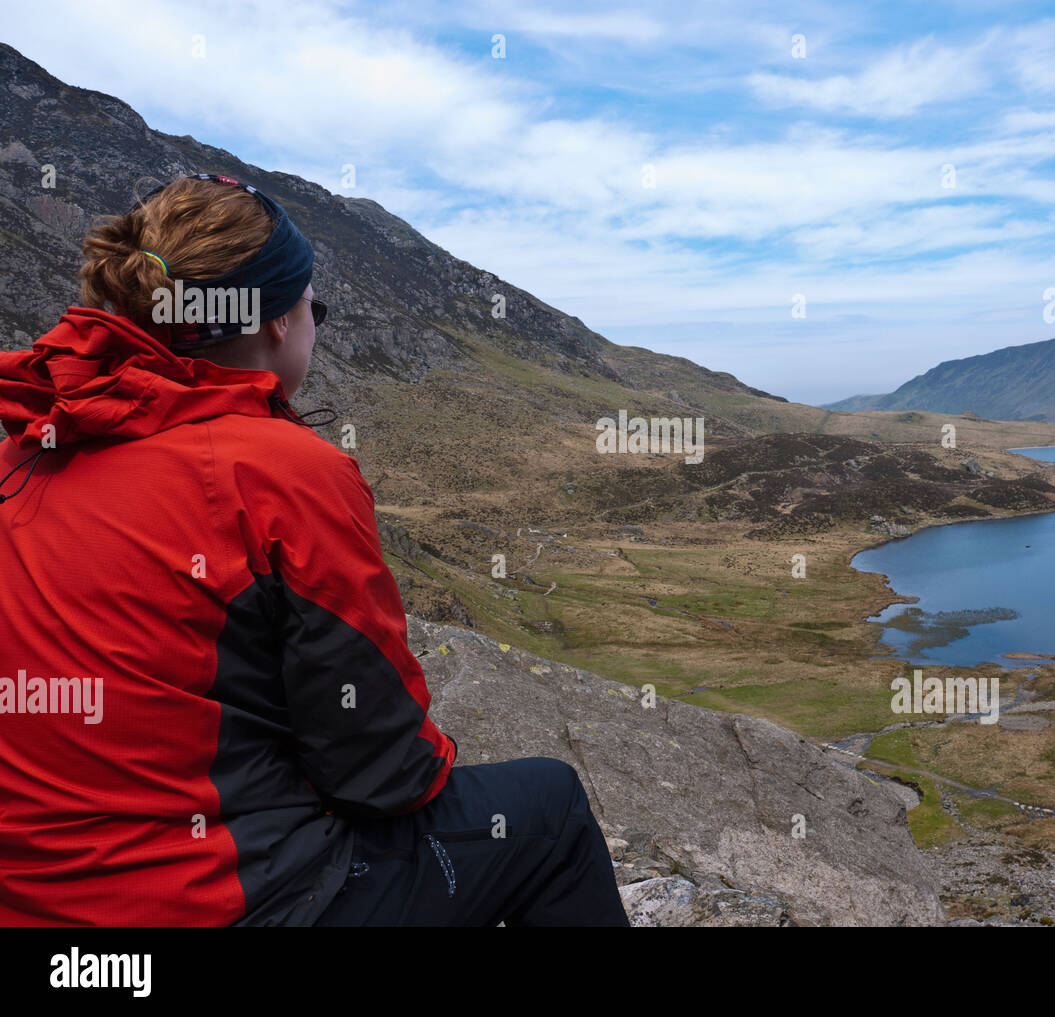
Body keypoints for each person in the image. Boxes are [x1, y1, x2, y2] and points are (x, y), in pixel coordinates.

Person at [0, 172, 629, 927]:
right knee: (549, 806)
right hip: (221, 905)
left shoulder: (29, 449)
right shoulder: (282, 473)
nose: (313, 322)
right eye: (310, 304)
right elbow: (385, 773)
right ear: (274, 323)